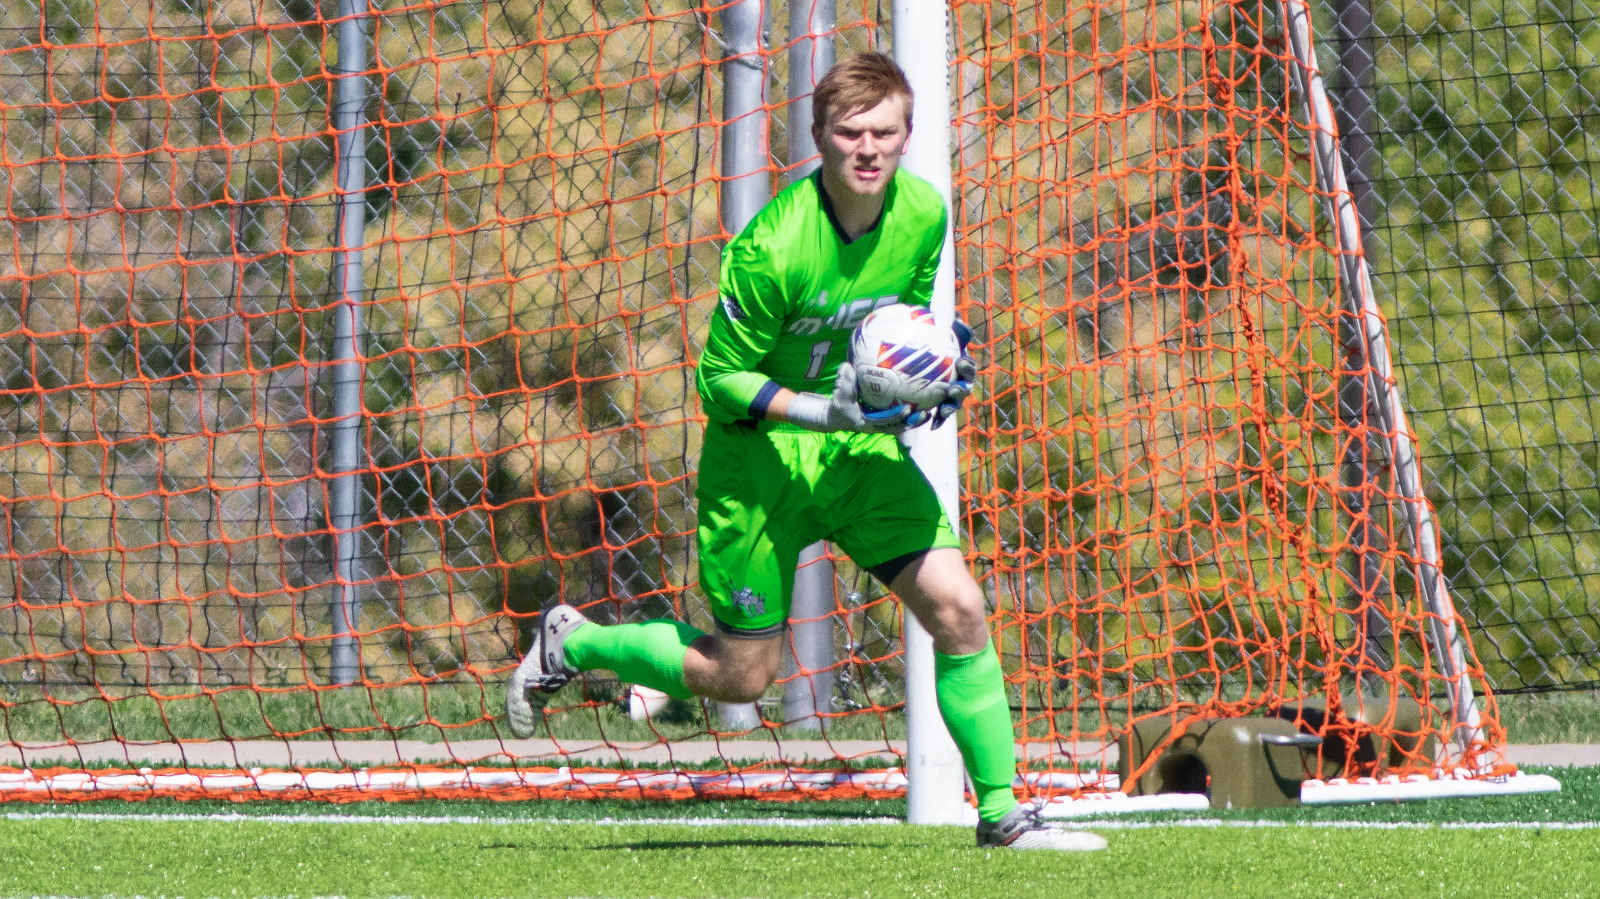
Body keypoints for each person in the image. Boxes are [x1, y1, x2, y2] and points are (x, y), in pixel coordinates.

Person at [506, 52, 1105, 852]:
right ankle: (571, 642)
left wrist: (940, 367)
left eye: (884, 132)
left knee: (959, 607)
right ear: (819, 138)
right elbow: (719, 381)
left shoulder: (925, 212)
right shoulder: (772, 248)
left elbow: (904, 327)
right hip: (759, 468)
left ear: (907, 134)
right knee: (742, 676)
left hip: (858, 457)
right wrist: (830, 409)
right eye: (849, 132)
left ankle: (1001, 814)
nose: (868, 148)